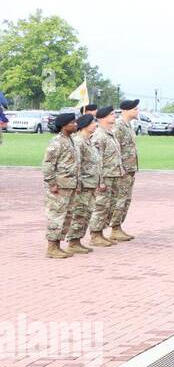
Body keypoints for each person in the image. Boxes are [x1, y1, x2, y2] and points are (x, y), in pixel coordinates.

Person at [62, 113, 102, 255]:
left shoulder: (89, 140)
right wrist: (78, 184)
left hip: (91, 183)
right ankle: (73, 241)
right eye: (93, 123)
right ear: (85, 125)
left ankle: (78, 240)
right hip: (83, 184)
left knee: (86, 212)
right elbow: (76, 164)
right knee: (79, 213)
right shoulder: (78, 141)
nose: (95, 125)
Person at [42, 112, 80, 259]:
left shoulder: (71, 140)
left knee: (67, 217)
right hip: (59, 186)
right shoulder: (56, 142)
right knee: (56, 216)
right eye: (73, 123)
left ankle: (58, 245)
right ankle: (51, 247)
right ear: (64, 125)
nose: (76, 125)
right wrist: (51, 183)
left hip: (70, 185)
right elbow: (48, 164)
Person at [89, 105, 125, 247]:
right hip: (105, 177)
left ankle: (101, 233)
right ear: (102, 118)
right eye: (111, 114)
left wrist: (120, 170)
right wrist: (100, 180)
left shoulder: (110, 134)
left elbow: (115, 156)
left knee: (109, 206)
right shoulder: (99, 135)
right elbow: (97, 160)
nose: (114, 116)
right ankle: (95, 234)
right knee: (100, 206)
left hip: (114, 175)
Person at [111, 99, 140, 240]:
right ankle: (114, 228)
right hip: (122, 170)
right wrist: (119, 167)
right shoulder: (118, 126)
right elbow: (115, 149)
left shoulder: (128, 126)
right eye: (135, 109)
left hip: (129, 169)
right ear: (126, 110)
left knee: (126, 199)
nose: (137, 111)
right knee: (119, 199)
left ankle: (118, 226)